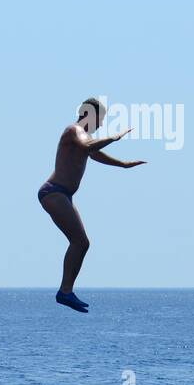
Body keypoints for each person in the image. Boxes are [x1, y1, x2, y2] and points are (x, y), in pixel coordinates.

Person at [38, 97, 145, 312]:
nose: (101, 124)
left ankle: (66, 291)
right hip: (54, 192)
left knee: (81, 243)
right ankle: (64, 292)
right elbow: (88, 145)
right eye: (100, 119)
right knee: (79, 241)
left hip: (64, 195)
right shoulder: (73, 130)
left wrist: (122, 164)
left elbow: (94, 153)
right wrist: (114, 137)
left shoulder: (84, 138)